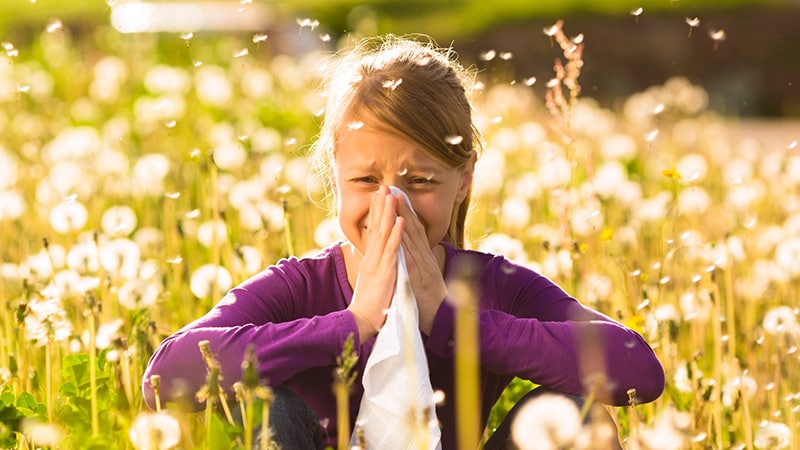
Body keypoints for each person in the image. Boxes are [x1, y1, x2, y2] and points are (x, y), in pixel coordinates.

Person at [142, 34, 665, 449]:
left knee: (580, 413)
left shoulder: (492, 285)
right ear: (334, 178)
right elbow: (164, 379)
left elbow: (637, 371)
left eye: (419, 182)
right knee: (269, 406)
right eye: (366, 181)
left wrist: (451, 320)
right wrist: (354, 324)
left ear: (464, 180)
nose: (390, 205)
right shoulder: (299, 286)